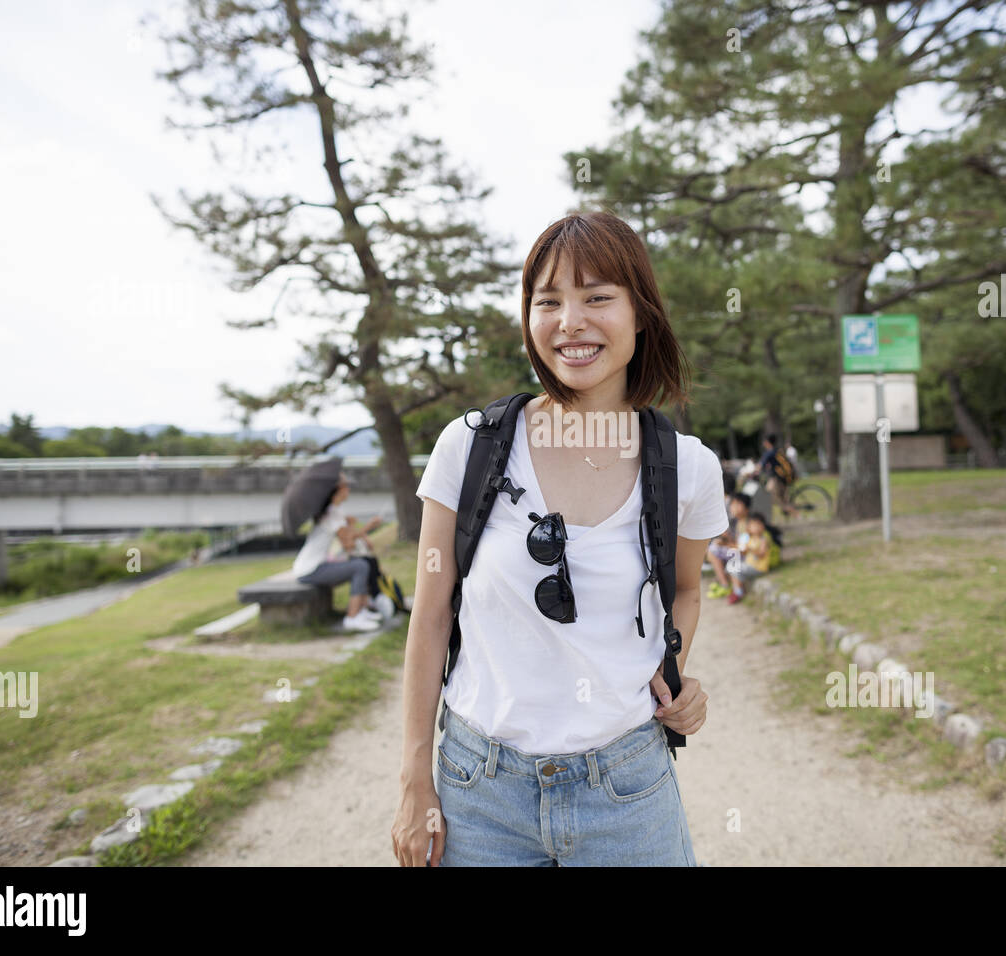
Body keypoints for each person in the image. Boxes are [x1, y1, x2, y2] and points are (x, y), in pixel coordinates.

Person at [392, 211, 728, 867]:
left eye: (597, 297)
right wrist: (413, 780)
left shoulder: (688, 467)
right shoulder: (469, 447)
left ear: (641, 314)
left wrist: (674, 672)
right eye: (548, 301)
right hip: (478, 793)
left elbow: (685, 590)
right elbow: (430, 619)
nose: (570, 322)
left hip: (628, 789)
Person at [291, 471, 394, 631]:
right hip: (310, 570)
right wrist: (370, 527)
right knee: (360, 566)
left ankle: (362, 610)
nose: (348, 489)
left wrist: (354, 528)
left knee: (363, 563)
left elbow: (348, 536)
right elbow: (348, 542)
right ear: (338, 489)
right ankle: (352, 617)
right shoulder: (331, 513)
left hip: (313, 566)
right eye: (346, 486)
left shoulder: (334, 512)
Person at [706, 491, 751, 599]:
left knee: (713, 550)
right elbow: (738, 543)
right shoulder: (740, 523)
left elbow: (743, 548)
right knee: (714, 547)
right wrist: (726, 540)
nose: (732, 507)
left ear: (746, 508)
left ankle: (728, 586)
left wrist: (727, 544)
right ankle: (726, 584)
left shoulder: (747, 524)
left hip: (745, 555)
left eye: (736, 504)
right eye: (732, 504)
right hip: (740, 552)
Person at [726, 511, 772, 605]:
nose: (754, 528)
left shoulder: (763, 539)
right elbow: (744, 552)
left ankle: (738, 592)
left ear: (762, 526)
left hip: (758, 568)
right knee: (731, 566)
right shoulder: (750, 539)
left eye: (757, 525)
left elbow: (762, 554)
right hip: (750, 565)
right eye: (752, 525)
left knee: (733, 568)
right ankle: (737, 590)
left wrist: (750, 549)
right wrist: (732, 546)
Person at [752, 434, 800, 520]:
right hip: (783, 478)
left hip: (777, 479)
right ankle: (793, 515)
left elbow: (759, 466)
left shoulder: (769, 453)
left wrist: (751, 472)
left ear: (767, 442)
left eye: (764, 441)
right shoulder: (777, 451)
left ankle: (796, 515)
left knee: (770, 497)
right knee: (782, 500)